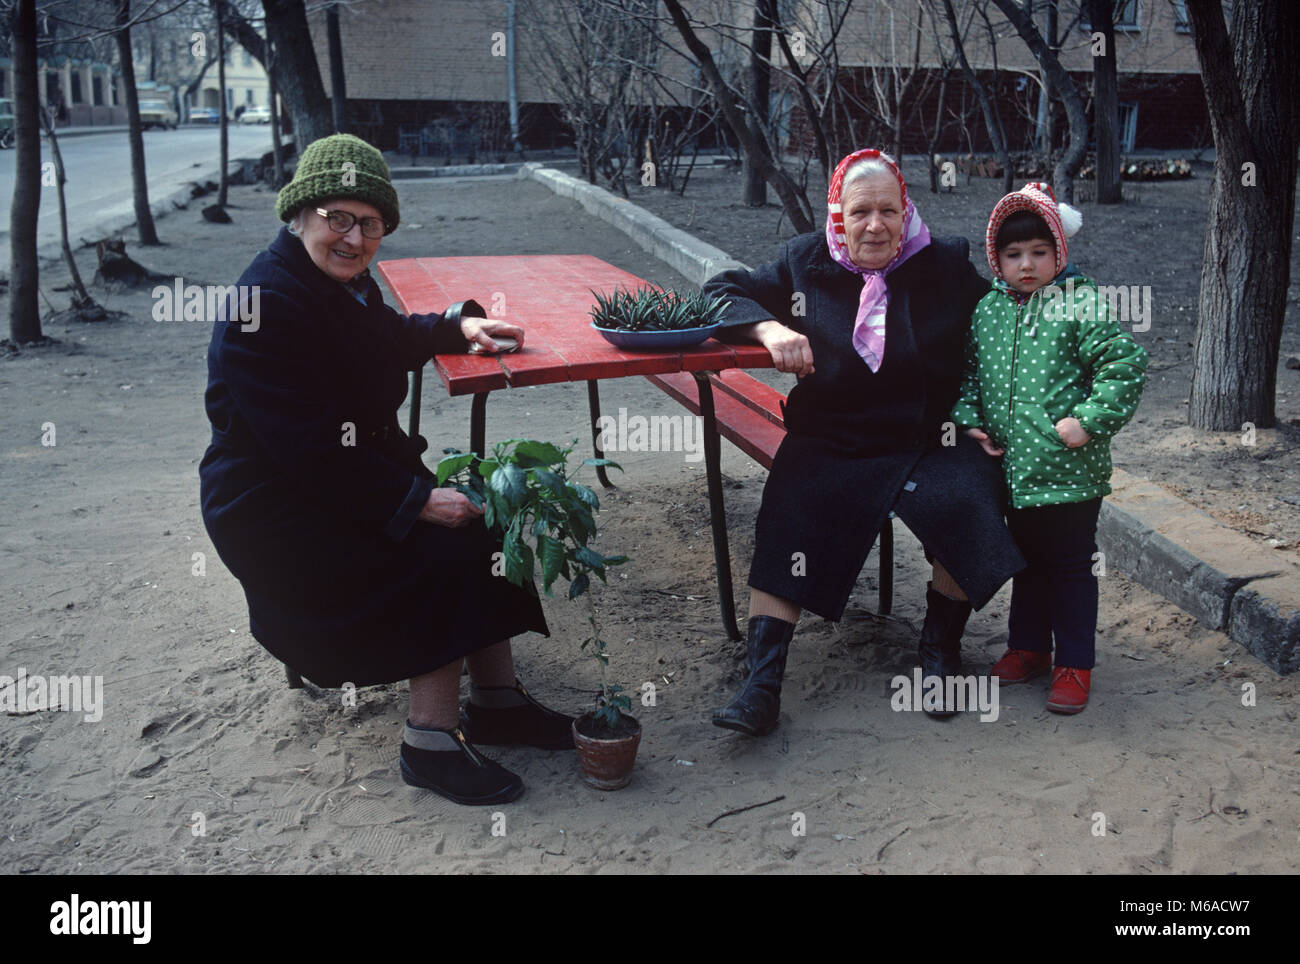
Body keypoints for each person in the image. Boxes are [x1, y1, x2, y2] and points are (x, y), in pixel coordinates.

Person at [199, 133, 572, 807]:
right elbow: (306, 448)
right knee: (441, 539)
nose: (354, 237)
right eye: (338, 217)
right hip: (276, 510)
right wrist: (413, 500)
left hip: (333, 481)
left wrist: (456, 328)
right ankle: (429, 744)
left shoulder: (334, 283)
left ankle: (497, 703)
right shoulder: (264, 306)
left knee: (484, 509)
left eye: (370, 224)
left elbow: (387, 336)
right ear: (301, 214)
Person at [701, 148, 1027, 730]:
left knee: (965, 498)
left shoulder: (942, 263)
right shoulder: (804, 261)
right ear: (837, 216)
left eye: (888, 210)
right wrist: (770, 326)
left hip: (929, 433)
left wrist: (985, 408)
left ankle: (939, 656)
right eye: (860, 213)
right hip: (833, 434)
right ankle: (762, 682)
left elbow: (1004, 315)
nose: (875, 225)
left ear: (906, 213)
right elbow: (720, 289)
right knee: (790, 509)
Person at [952, 182, 1147, 714]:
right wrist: (971, 423)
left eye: (1040, 252)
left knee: (1069, 567)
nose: (1027, 264)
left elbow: (1123, 365)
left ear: (1059, 251)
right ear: (997, 258)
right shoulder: (988, 311)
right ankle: (1030, 647)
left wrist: (1088, 421)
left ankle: (1074, 664)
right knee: (1028, 563)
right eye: (1013, 254)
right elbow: (969, 373)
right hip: (1013, 470)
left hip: (1069, 470)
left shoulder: (1081, 303)